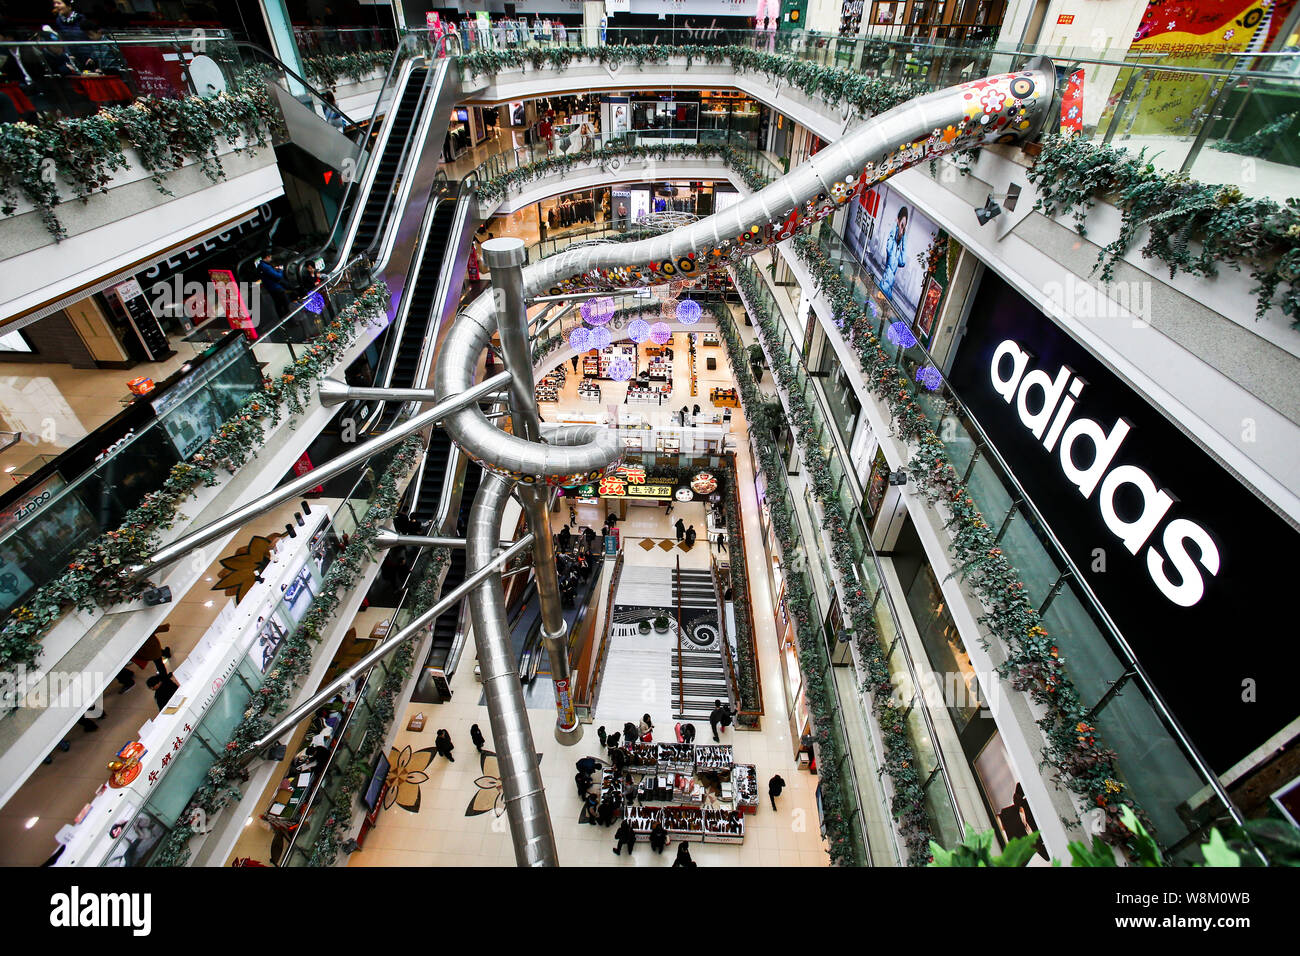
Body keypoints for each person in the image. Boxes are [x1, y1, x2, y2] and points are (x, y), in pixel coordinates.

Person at [879, 206, 909, 300]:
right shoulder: (892, 248)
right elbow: (890, 239)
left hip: (888, 290)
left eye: (904, 227)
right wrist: (894, 226)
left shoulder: (898, 252)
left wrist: (904, 237)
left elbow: (902, 262)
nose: (902, 229)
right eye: (901, 225)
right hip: (884, 287)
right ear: (898, 223)